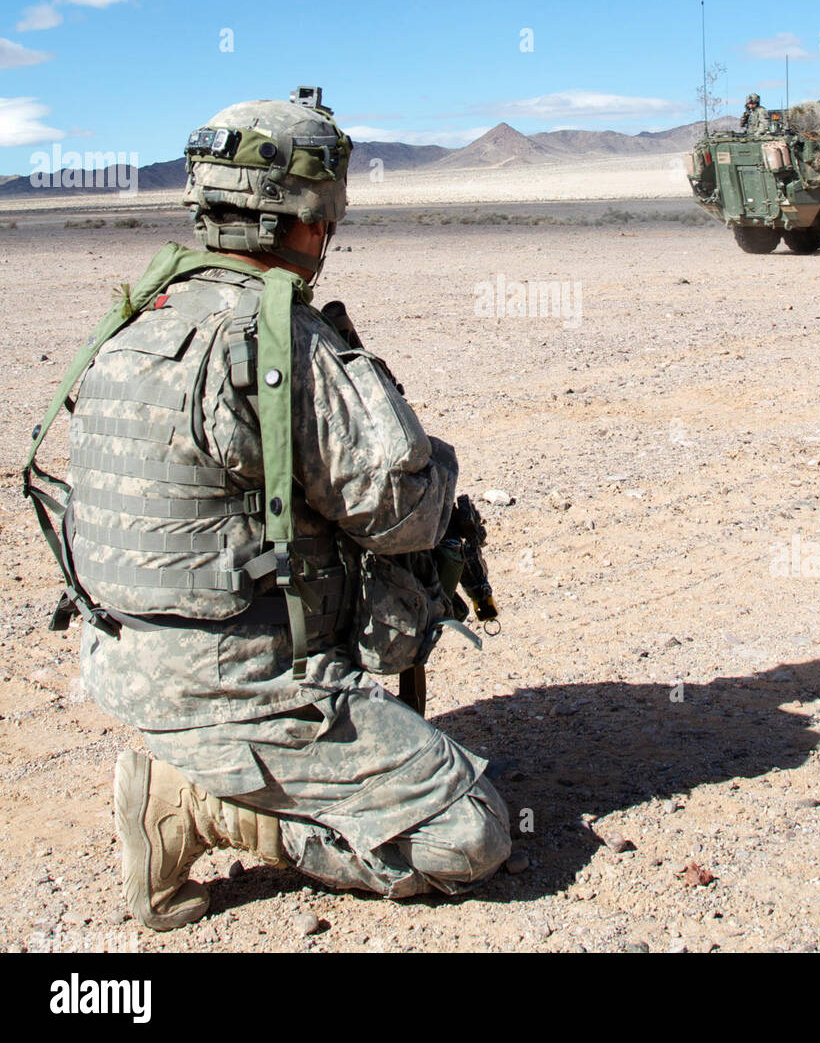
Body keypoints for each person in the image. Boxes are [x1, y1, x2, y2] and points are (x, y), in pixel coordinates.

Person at [27, 87, 510, 932]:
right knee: (467, 836)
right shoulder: (275, 339)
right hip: (240, 681)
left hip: (126, 659)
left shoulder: (142, 315)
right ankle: (200, 805)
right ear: (305, 216)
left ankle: (224, 767)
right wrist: (435, 463)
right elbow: (403, 512)